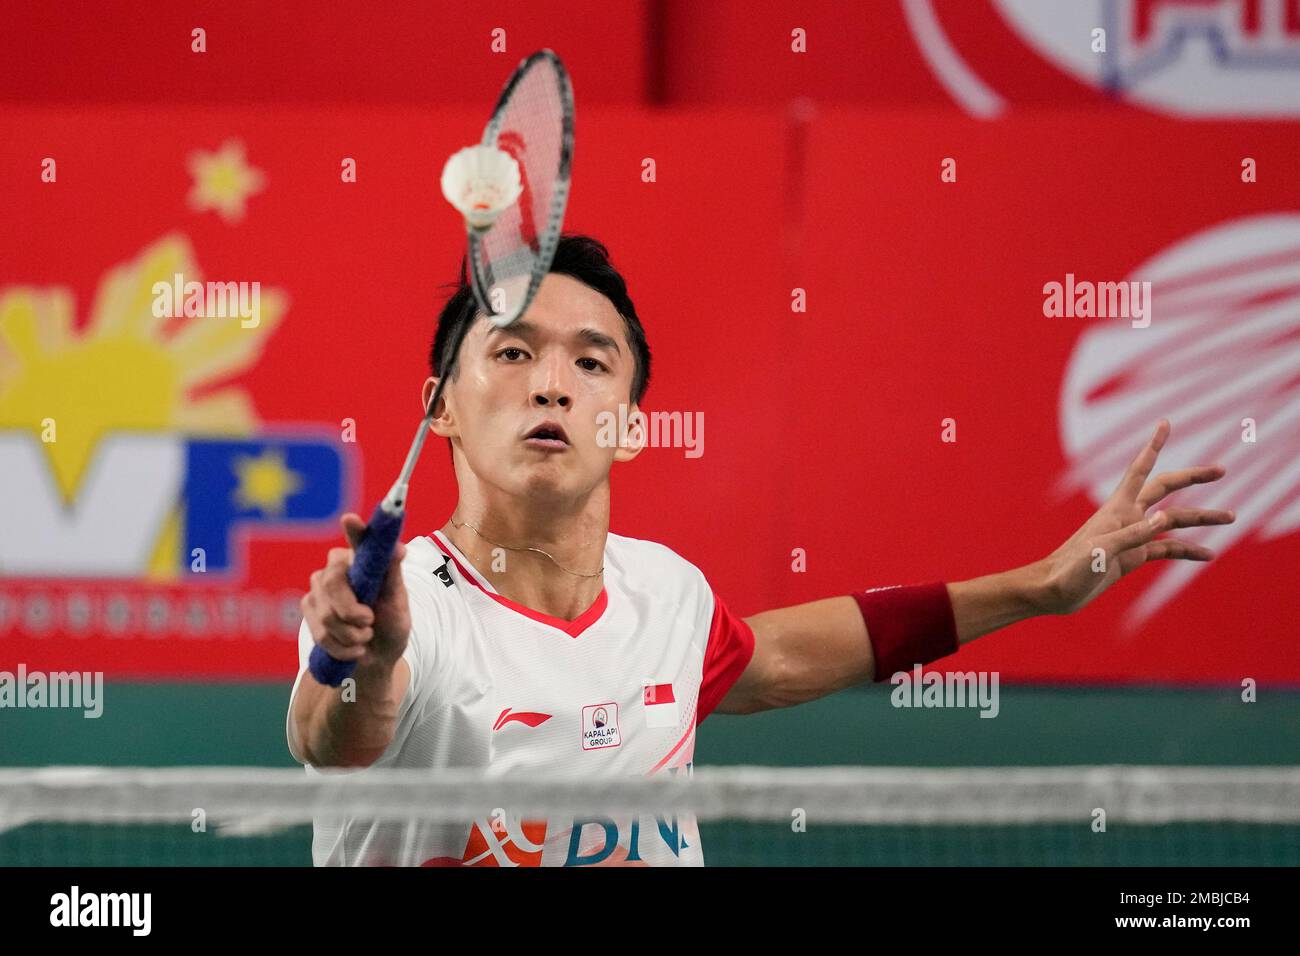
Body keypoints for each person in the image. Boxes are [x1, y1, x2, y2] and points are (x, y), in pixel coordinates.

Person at [286, 234, 1235, 866]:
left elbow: (777, 656)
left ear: (629, 428)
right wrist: (365, 658)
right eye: (511, 352)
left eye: (591, 361)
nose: (552, 386)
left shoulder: (665, 594)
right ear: (439, 406)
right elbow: (337, 740)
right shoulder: (405, 608)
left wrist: (1038, 586)